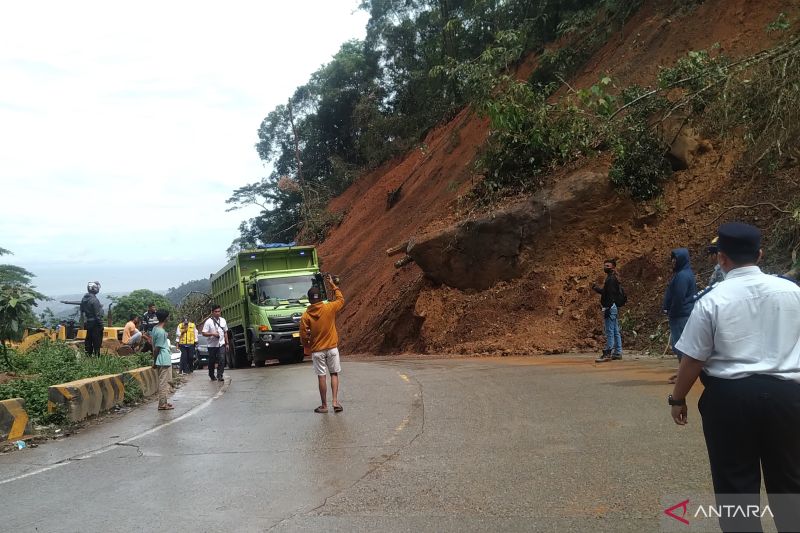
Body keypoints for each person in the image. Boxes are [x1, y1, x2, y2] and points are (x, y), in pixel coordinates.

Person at [670, 222, 800, 532]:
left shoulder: (712, 300)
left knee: (735, 487)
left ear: (721, 258)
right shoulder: (793, 292)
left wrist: (678, 398)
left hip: (729, 401)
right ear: (760, 254)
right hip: (788, 400)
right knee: (791, 483)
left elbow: (694, 359)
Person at [299, 274, 345, 413]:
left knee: (322, 376)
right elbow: (341, 299)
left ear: (309, 300)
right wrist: (332, 285)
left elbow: (303, 335)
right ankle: (335, 402)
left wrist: (307, 346)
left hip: (317, 350)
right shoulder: (329, 307)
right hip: (332, 348)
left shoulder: (306, 315)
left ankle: (324, 406)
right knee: (334, 374)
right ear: (320, 297)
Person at [663, 248, 697, 384]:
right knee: (681, 345)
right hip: (682, 314)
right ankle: (682, 373)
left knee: (680, 346)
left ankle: (684, 376)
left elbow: (679, 297)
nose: (673, 261)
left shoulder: (682, 276)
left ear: (681, 259)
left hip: (680, 315)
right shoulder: (683, 273)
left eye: (675, 258)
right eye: (672, 258)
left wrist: (672, 312)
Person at [591, 259, 623, 362]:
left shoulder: (611, 279)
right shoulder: (612, 278)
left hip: (610, 307)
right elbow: (606, 292)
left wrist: (608, 307)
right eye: (605, 265)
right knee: (615, 331)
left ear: (613, 267)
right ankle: (618, 352)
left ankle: (608, 353)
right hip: (613, 307)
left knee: (609, 331)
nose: (605, 267)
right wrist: (597, 289)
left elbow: (610, 295)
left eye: (608, 266)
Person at [150, 309, 174, 411]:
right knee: (164, 382)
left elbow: (154, 344)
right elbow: (157, 348)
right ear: (166, 318)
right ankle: (162, 404)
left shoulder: (155, 328)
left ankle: (164, 401)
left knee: (166, 381)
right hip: (163, 359)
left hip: (162, 358)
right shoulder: (161, 331)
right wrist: (155, 361)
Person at [202, 304, 229, 382]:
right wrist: (212, 334)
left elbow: (225, 332)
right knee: (212, 361)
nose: (217, 313)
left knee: (222, 359)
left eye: (219, 311)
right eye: (215, 311)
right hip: (212, 345)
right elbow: (203, 333)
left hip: (221, 344)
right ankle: (211, 375)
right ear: (212, 312)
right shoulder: (208, 322)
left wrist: (227, 343)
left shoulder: (223, 320)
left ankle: (220, 375)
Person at [80, 281, 104, 356]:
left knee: (89, 340)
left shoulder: (84, 299)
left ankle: (88, 357)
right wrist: (101, 325)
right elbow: (97, 315)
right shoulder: (94, 300)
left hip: (88, 322)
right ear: (94, 289)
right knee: (97, 342)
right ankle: (97, 358)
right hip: (95, 324)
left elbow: (82, 310)